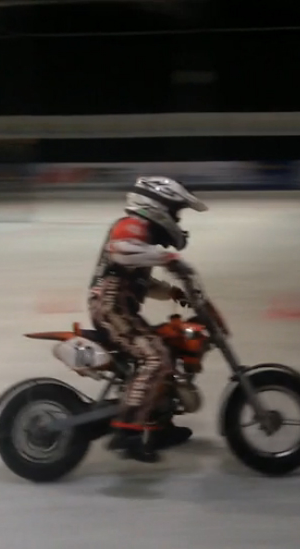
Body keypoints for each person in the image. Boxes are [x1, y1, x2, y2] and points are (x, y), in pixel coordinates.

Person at [87, 176, 208, 462]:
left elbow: (144, 283)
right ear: (158, 205)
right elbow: (121, 252)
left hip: (123, 311)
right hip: (110, 311)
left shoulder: (143, 236)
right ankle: (127, 432)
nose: (177, 220)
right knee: (155, 357)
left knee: (170, 347)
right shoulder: (131, 226)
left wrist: (175, 293)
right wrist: (169, 259)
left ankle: (158, 427)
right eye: (175, 212)